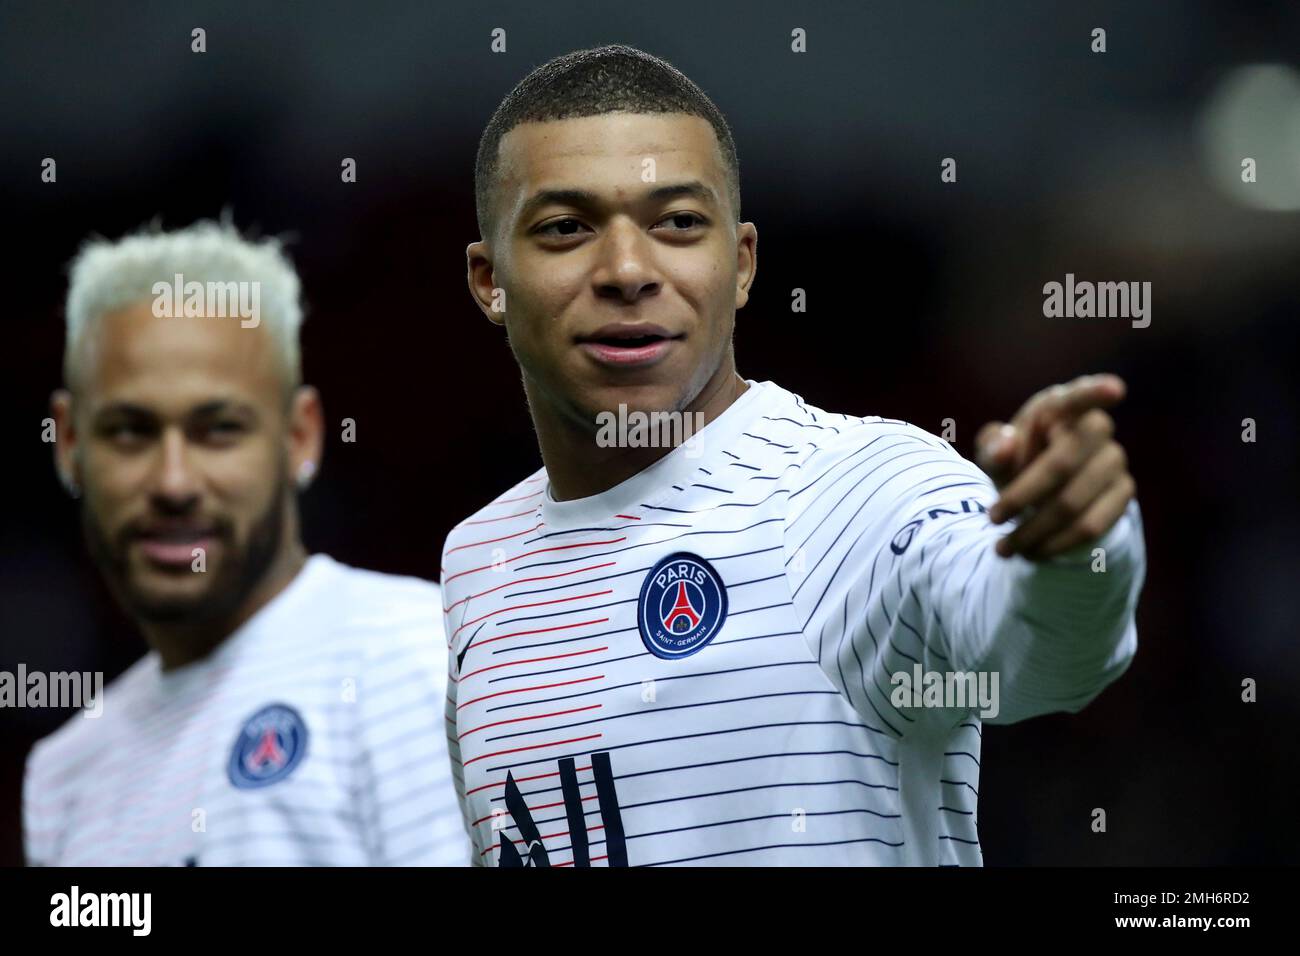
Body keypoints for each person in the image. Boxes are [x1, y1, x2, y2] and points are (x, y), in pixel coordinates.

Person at [442, 44, 1145, 866]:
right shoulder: (476, 561)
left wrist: (1075, 551)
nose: (628, 270)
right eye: (566, 228)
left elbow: (1039, 659)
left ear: (740, 265)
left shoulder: (854, 486)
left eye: (677, 223)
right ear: (491, 281)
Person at [25, 220, 465, 866]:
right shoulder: (63, 777)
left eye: (219, 430)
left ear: (300, 437)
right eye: (130, 431)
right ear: (68, 442)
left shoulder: (415, 661)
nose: (173, 482)